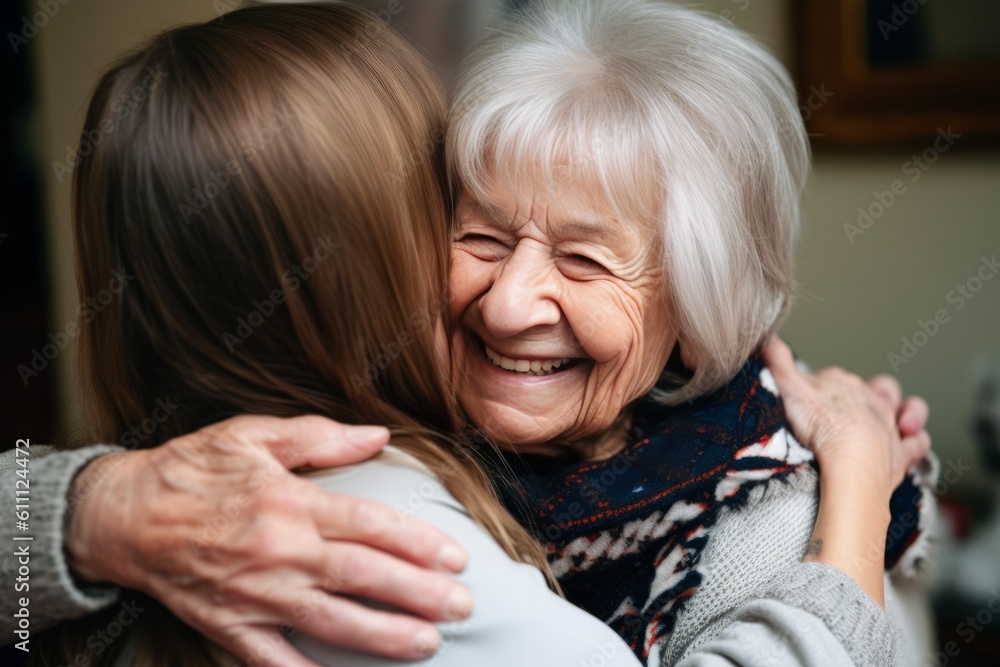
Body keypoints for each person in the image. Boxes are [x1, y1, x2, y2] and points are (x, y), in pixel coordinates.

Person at [0, 2, 932, 666]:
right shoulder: (344, 461)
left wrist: (852, 481)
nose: (505, 303)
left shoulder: (765, 526)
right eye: (477, 235)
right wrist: (89, 509)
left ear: (699, 309)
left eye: (583, 261)